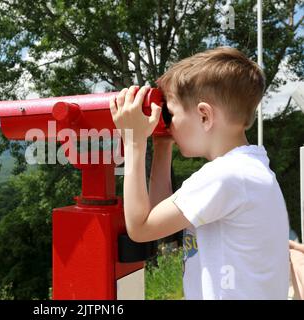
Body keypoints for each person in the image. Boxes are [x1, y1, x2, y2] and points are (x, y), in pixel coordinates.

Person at [109, 47, 289, 300]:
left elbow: (140, 228)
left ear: (204, 116)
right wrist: (162, 144)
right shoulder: (249, 170)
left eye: (170, 114)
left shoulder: (226, 176)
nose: (168, 123)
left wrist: (133, 141)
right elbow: (158, 216)